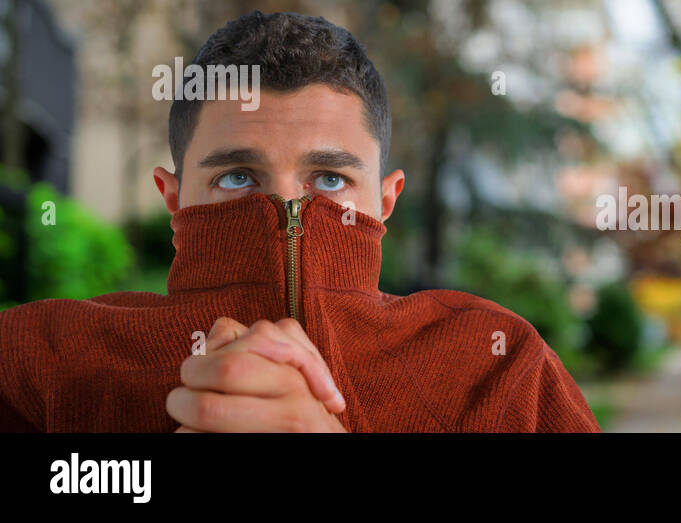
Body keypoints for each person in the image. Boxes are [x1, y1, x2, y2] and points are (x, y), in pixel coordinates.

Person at [0, 11, 600, 433]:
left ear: (385, 200)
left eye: (330, 179)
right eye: (237, 177)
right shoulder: (39, 360)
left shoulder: (497, 366)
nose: (287, 201)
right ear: (174, 197)